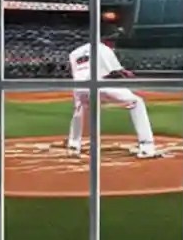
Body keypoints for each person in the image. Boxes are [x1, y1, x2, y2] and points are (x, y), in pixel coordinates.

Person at [65, 26, 159, 159]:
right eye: (113, 39)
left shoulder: (75, 52)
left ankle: (74, 144)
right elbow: (115, 71)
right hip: (98, 84)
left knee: (80, 110)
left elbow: (76, 70)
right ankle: (146, 147)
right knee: (136, 102)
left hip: (79, 86)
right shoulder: (103, 48)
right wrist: (127, 73)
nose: (114, 42)